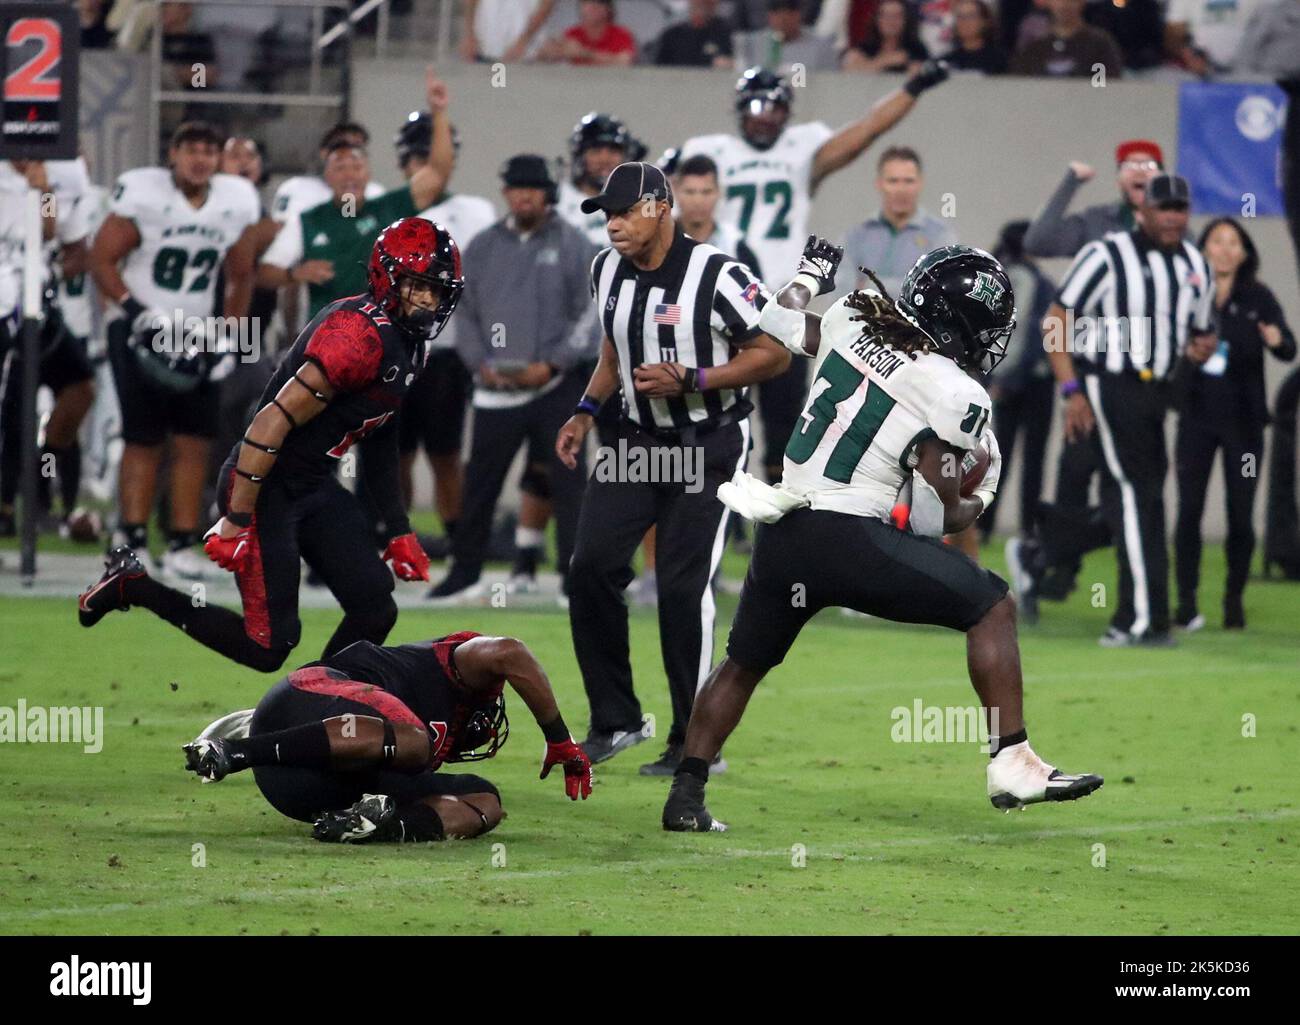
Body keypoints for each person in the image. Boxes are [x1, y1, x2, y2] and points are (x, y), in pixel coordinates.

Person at [661, 236, 1102, 832]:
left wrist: (811, 274)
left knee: (742, 664)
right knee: (994, 606)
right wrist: (975, 498)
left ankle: (685, 794)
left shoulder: (853, 317)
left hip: (784, 528)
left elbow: (779, 316)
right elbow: (932, 517)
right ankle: (1011, 760)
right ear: (963, 324)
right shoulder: (955, 392)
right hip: (848, 539)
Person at [77, 217, 463, 672]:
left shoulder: (411, 343)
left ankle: (318, 702)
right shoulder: (357, 339)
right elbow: (269, 423)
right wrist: (236, 519)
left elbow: (379, 433)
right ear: (387, 278)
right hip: (264, 484)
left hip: (311, 483)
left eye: (437, 290)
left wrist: (398, 528)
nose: (427, 300)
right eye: (417, 286)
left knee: (375, 605)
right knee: (268, 647)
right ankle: (134, 586)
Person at [555, 162, 790, 774]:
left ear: (660, 207)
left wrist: (695, 377)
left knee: (683, 590)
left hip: (707, 443)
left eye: (625, 212)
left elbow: (775, 352)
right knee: (590, 569)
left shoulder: (717, 273)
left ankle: (696, 742)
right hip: (635, 441)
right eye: (606, 215)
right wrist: (584, 411)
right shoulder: (604, 268)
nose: (613, 226)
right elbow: (615, 347)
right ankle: (615, 719)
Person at [681, 62, 948, 484]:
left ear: (787, 112)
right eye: (754, 107)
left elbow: (867, 130)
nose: (763, 116)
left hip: (783, 308)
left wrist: (913, 86)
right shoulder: (709, 153)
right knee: (714, 413)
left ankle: (770, 514)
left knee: (784, 421)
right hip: (722, 306)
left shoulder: (802, 150)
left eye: (772, 108)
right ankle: (718, 509)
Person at [1010, 174, 1217, 645]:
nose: (1171, 218)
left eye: (1179, 209)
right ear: (1141, 209)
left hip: (1158, 392)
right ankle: (1139, 621)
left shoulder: (1194, 264)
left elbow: (1201, 331)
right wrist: (1071, 389)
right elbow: (1057, 320)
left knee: (1133, 502)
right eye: (1163, 208)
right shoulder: (1106, 254)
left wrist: (1201, 348)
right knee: (1137, 498)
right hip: (1108, 382)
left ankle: (1041, 554)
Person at [182, 632, 593, 843]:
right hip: (301, 702)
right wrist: (559, 738)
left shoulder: (426, 740)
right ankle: (233, 751)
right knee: (415, 742)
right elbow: (510, 653)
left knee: (486, 802)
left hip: (306, 793)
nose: (485, 731)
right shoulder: (452, 666)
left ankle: (374, 828)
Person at [90, 121, 260, 579]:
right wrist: (134, 309)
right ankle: (130, 535)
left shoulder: (234, 201)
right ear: (174, 153)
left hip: (196, 333)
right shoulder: (143, 194)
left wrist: (229, 333)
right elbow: (101, 257)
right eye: (191, 149)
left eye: (209, 149)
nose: (200, 158)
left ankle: (183, 541)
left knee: (194, 439)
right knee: (142, 438)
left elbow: (242, 273)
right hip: (140, 330)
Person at [427, 156, 595, 603]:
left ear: (548, 194)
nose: (524, 196)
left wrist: (555, 364)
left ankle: (571, 579)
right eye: (516, 188)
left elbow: (590, 312)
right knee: (479, 484)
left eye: (533, 189)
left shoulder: (575, 244)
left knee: (568, 484)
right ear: (505, 192)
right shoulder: (481, 246)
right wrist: (479, 362)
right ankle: (465, 573)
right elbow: (462, 310)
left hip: (554, 387)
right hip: (494, 390)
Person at [1174, 218, 1296, 630]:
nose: (1224, 249)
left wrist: (1277, 340)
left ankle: (1233, 600)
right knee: (1188, 511)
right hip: (1195, 418)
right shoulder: (1187, 294)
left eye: (1233, 243)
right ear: (1203, 248)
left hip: (1243, 424)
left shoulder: (1258, 296)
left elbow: (1288, 347)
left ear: (1244, 253)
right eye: (1216, 241)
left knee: (1240, 515)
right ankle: (1186, 603)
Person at [257, 70, 455, 322]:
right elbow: (264, 274)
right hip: (325, 339)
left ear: (368, 173)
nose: (349, 174)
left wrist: (439, 113)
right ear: (327, 176)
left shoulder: (388, 208)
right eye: (339, 167)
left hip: (381, 335)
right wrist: (295, 274)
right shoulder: (307, 220)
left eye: (356, 166)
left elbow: (438, 173)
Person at [391, 111, 496, 556]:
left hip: (445, 351)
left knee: (446, 453)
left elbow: (484, 285)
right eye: (417, 157)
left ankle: (458, 541)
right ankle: (393, 537)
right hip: (390, 348)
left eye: (431, 155)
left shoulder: (472, 212)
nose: (425, 165)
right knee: (391, 455)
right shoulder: (384, 206)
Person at [0, 159, 96, 538]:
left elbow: (55, 235)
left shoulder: (58, 174)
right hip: (7, 303)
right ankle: (6, 501)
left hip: (34, 307)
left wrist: (44, 191)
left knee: (79, 388)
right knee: (12, 404)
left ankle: (42, 478)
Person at [978, 221, 1055, 542]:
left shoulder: (998, 274)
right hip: (1029, 379)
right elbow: (1019, 331)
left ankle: (986, 525)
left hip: (1014, 378)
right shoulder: (1027, 278)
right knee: (1028, 457)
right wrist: (1003, 378)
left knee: (1000, 455)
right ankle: (1027, 528)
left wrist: (991, 374)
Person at [837, 146, 957, 301]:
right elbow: (840, 293)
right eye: (893, 181)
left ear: (920, 183)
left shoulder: (940, 236)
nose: (901, 189)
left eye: (909, 181)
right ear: (879, 184)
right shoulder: (855, 236)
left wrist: (869, 287)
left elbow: (937, 292)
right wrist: (909, 286)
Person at [1009, 0, 1125, 78]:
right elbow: (1021, 82)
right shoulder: (1035, 47)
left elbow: (1105, 84)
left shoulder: (1100, 44)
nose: (1064, 5)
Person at [735, 0, 840, 72]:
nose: (782, 21)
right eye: (776, 14)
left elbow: (830, 82)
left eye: (789, 14)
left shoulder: (821, 46)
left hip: (810, 99)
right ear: (769, 16)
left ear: (798, 14)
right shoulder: (751, 44)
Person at [537, 0, 637, 66]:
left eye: (599, 3)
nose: (592, 7)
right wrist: (549, 53)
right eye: (587, 2)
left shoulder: (621, 34)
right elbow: (544, 59)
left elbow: (624, 63)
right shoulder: (572, 33)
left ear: (609, 9)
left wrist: (584, 53)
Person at [842, 0, 931, 73]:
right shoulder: (862, 49)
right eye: (886, 16)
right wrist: (884, 61)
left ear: (906, 20)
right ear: (876, 20)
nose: (891, 21)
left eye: (897, 16)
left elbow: (925, 75)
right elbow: (849, 72)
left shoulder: (917, 49)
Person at [459, 0, 556, 63]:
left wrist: (522, 42)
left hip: (526, 54)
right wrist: (469, 35)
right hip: (484, 46)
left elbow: (546, 5)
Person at [654, 0, 734, 67]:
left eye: (707, 3)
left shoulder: (728, 33)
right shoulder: (672, 35)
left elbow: (739, 61)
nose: (702, 6)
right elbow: (658, 65)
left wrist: (730, 63)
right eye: (698, 3)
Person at [942, 0, 1009, 73]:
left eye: (971, 16)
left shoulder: (1001, 60)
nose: (964, 22)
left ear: (984, 21)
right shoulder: (945, 62)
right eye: (960, 16)